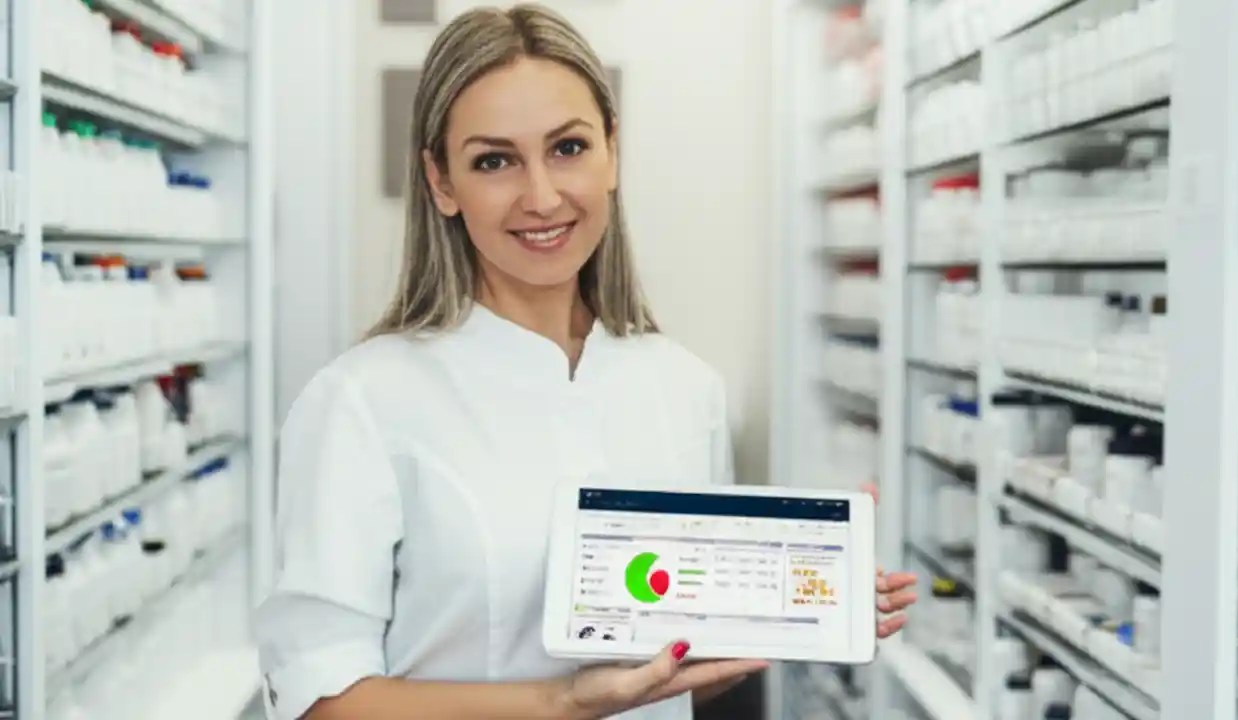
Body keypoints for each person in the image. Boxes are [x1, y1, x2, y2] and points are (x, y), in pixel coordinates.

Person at [253, 4, 917, 719]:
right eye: (494, 160)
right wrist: (566, 701)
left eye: (568, 148)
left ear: (612, 151)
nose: (542, 197)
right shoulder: (361, 402)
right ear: (441, 183)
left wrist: (794, 603)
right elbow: (321, 702)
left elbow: (680, 660)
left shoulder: (686, 388)